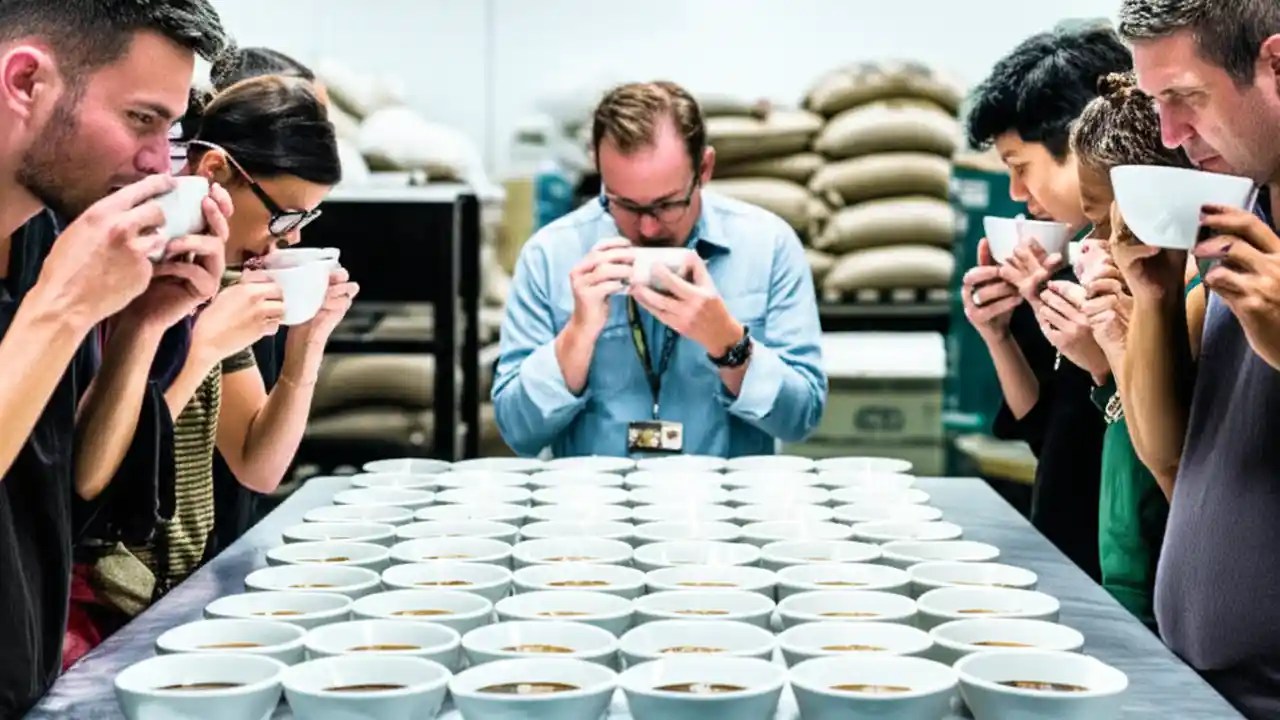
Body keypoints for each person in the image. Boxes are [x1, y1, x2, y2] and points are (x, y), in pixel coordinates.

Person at [0, 0, 228, 714]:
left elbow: (78, 487)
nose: (159, 160)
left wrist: (141, 327)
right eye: (141, 119)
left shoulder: (45, 236)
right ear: (26, 81)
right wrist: (64, 308)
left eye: (171, 129)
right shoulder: (60, 272)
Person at [77, 74, 351, 609]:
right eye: (285, 215)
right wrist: (201, 348)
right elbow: (92, 480)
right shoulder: (117, 271)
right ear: (214, 170)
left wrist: (306, 345)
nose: (292, 237)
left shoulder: (220, 280)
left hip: (172, 588)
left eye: (306, 219)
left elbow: (258, 465)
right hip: (102, 600)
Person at [492, 81, 825, 458]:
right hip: (591, 510)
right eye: (624, 204)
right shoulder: (550, 255)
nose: (647, 229)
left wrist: (729, 345)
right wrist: (577, 337)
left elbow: (801, 419)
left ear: (705, 169)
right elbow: (518, 433)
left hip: (726, 509)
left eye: (666, 205)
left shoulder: (768, 247)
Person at [1117, 1, 1280, 715]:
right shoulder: (1241, 206)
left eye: (1185, 98)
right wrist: (1151, 301)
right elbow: (1176, 457)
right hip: (1200, 684)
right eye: (1157, 103)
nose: (1170, 134)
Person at [960, 22, 1131, 581]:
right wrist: (999, 334)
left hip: (1116, 568)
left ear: (1085, 141)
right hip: (1060, 550)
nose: (1015, 193)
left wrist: (1104, 361)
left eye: (1020, 167)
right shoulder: (1071, 259)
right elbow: (1043, 433)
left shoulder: (1153, 268)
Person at [1046, 71, 1195, 627]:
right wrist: (1101, 358)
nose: (1089, 244)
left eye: (1098, 220)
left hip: (1167, 600)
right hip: (1123, 587)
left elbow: (1175, 471)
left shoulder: (1193, 305)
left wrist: (1120, 341)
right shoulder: (1147, 304)